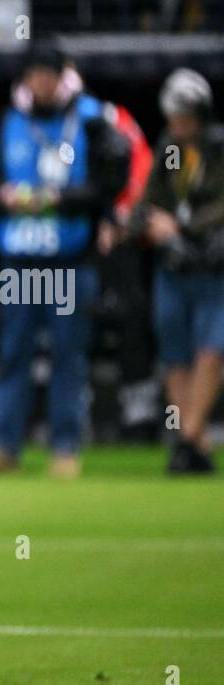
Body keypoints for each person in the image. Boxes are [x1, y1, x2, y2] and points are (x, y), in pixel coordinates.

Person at [0, 43, 129, 477]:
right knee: (13, 352)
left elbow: (107, 185)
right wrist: (2, 194)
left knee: (68, 355)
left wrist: (60, 199)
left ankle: (66, 447)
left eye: (48, 76)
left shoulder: (91, 121)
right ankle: (3, 446)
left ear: (62, 78)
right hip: (20, 259)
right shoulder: (11, 120)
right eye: (34, 75)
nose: (41, 83)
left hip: (71, 259)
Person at [135, 68, 224, 474]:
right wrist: (136, 223)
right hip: (175, 265)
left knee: (212, 351)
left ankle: (190, 432)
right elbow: (151, 200)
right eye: (174, 116)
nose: (179, 124)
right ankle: (188, 440)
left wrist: (183, 228)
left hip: (213, 264)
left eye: (185, 115)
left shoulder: (218, 148)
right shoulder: (169, 149)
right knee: (176, 354)